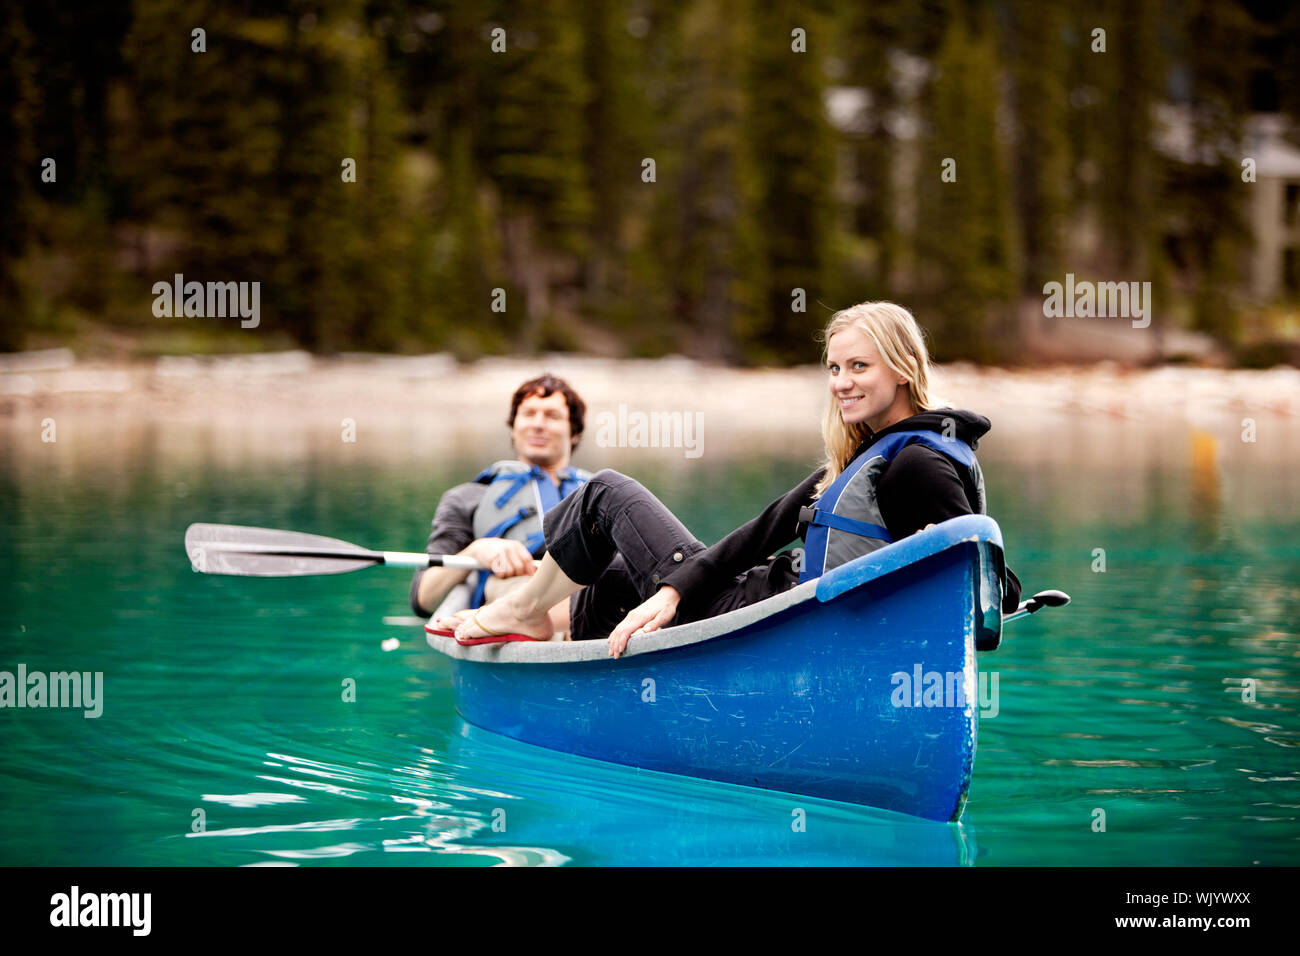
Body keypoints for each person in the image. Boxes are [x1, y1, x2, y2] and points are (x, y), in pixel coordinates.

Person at [435, 301, 1021, 656]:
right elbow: (755, 534)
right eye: (835, 367)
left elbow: (1000, 588)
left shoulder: (914, 463)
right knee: (611, 576)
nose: (841, 381)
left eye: (859, 366)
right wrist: (672, 589)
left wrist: (935, 562)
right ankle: (578, 659)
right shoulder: (866, 458)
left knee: (606, 492)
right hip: (750, 602)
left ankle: (521, 613)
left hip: (757, 619)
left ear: (902, 368)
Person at [409, 374, 593, 623]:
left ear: (575, 433)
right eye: (528, 414)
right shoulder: (467, 498)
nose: (538, 424)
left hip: (594, 601)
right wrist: (477, 551)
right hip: (512, 594)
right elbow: (423, 599)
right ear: (513, 427)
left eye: (552, 416)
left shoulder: (603, 498)